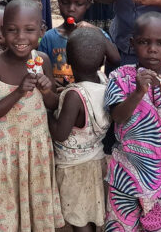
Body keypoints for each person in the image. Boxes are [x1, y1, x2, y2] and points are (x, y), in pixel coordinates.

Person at [104, 12, 161, 231]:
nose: (153, 49)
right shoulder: (120, 76)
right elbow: (117, 117)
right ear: (132, 43)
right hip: (125, 175)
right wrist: (138, 92)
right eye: (145, 42)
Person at [0, 0, 65, 231]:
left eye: (29, 30)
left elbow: (53, 103)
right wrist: (19, 92)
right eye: (12, 30)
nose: (20, 38)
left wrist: (46, 89)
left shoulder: (42, 60)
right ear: (3, 31)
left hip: (37, 148)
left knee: (38, 203)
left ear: (41, 30)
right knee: (9, 203)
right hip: (7, 151)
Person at [48, 27, 111, 232]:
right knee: (92, 211)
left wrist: (47, 111)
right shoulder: (104, 80)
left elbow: (60, 133)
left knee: (78, 219)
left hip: (73, 167)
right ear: (102, 60)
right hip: (96, 159)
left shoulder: (75, 96)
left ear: (68, 60)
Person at [38, 0, 120, 86]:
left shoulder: (96, 34)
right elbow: (41, 68)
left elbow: (115, 60)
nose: (71, 9)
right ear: (58, 0)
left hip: (87, 95)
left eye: (79, 4)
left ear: (88, 2)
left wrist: (96, 32)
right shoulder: (49, 37)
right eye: (66, 2)